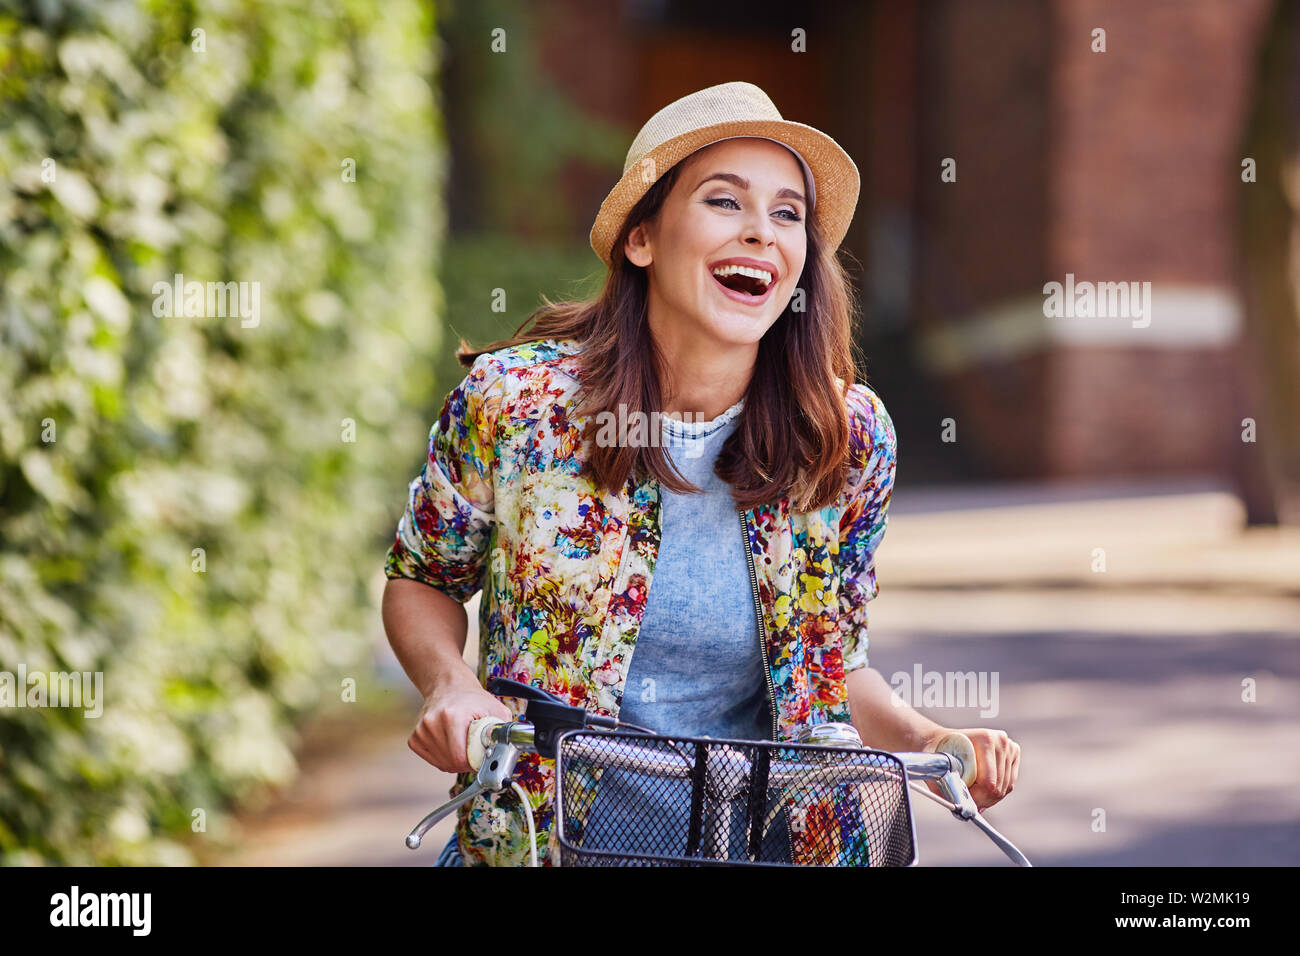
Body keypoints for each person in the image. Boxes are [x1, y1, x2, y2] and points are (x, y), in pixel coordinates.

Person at [382, 81, 1020, 867]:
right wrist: (450, 685)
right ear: (642, 239)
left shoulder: (848, 436)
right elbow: (424, 578)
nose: (762, 233)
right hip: (543, 843)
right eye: (725, 202)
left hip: (772, 848)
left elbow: (831, 663)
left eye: (788, 214)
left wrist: (931, 739)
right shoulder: (516, 404)